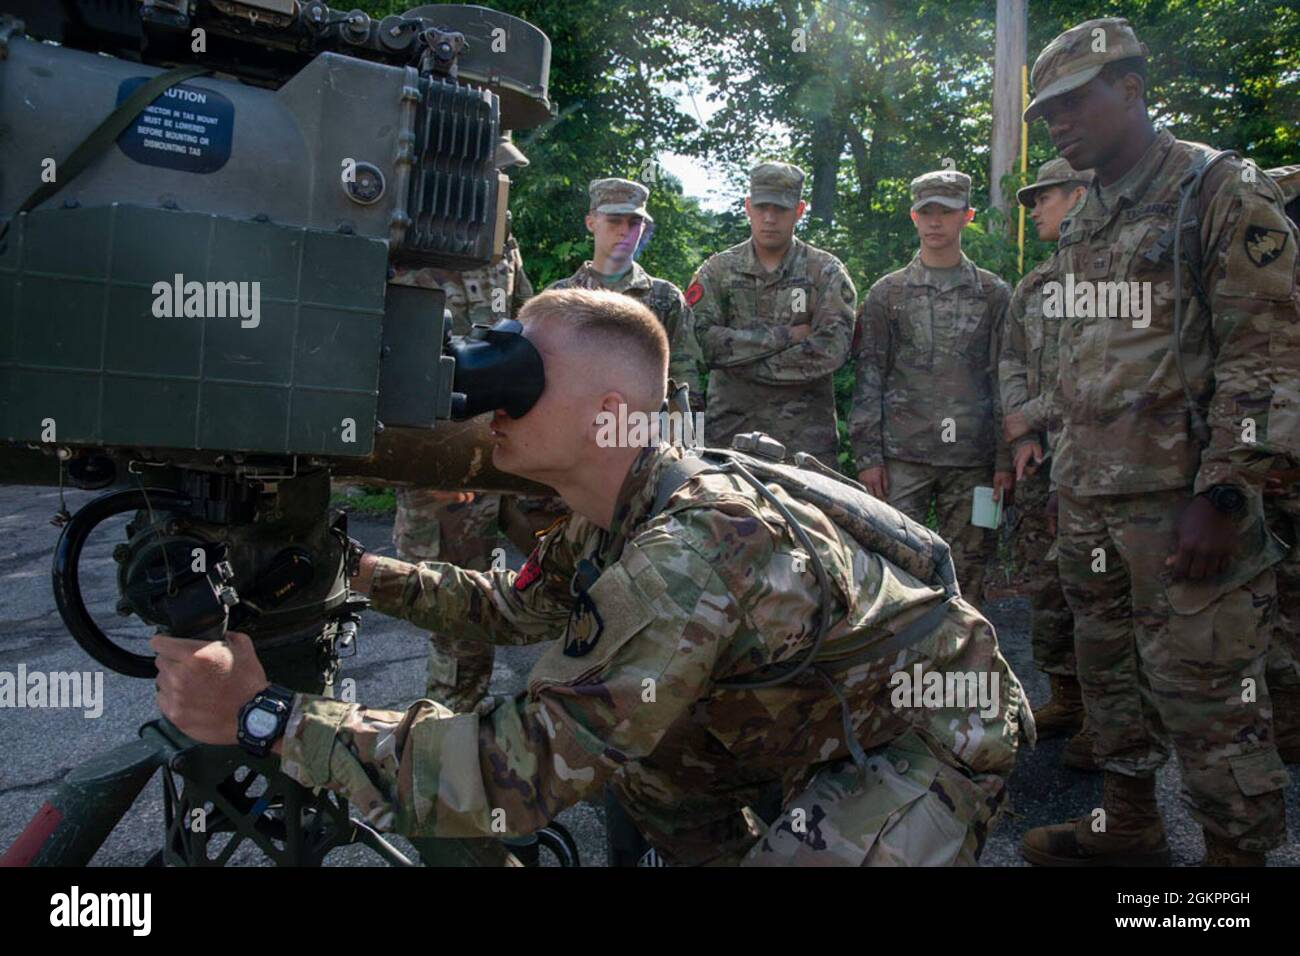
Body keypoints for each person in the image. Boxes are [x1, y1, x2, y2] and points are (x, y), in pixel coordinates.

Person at [151, 288, 1028, 867]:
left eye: (520, 381)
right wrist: (362, 570)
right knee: (645, 756)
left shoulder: (691, 551)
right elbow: (511, 606)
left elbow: (515, 772)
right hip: (801, 705)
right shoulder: (614, 502)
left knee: (597, 739)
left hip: (932, 733)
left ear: (608, 415)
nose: (495, 404)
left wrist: (265, 718)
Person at [1010, 17, 1298, 866]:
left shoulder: (1216, 189)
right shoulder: (1091, 213)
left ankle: (1234, 869)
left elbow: (1270, 356)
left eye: (1071, 103)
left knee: (1211, 701)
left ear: (1131, 90)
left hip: (1184, 509)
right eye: (1045, 113)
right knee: (1112, 692)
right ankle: (1130, 831)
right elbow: (1078, 358)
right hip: (1092, 499)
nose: (1057, 124)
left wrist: (1227, 496)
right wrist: (1064, 469)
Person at [387, 134, 533, 712]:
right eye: (492, 170)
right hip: (439, 460)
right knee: (458, 615)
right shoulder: (402, 242)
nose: (501, 183)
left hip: (502, 451)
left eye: (505, 171)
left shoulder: (502, 243)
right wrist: (433, 459)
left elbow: (523, 329)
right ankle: (446, 746)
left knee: (559, 576)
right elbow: (383, 368)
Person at [849, 169, 1013, 608]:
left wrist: (1004, 458)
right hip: (904, 458)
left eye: (947, 212)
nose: (935, 222)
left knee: (972, 567)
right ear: (913, 218)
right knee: (894, 566)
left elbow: (1004, 376)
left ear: (967, 217)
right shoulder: (889, 293)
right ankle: (899, 667)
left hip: (974, 462)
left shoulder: (994, 294)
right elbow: (870, 375)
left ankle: (967, 661)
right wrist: (868, 456)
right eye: (927, 212)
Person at [999, 157, 1096, 769]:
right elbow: (1010, 361)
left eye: (1045, 197)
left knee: (1101, 593)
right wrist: (1019, 436)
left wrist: (1031, 415)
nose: (1034, 208)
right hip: (1041, 464)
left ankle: (1115, 724)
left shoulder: (1108, 275)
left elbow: (1097, 371)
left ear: (1081, 193)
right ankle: (1067, 698)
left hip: (1099, 461)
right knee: (1049, 587)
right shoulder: (1033, 287)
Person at [688, 161, 856, 466]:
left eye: (780, 209)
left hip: (805, 442)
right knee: (727, 513)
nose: (769, 218)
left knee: (807, 516)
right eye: (762, 207)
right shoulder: (718, 270)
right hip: (730, 435)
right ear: (748, 207)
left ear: (800, 210)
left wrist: (743, 364)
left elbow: (831, 349)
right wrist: (786, 336)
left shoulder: (825, 272)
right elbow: (702, 342)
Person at [547, 177, 701, 399]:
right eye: (614, 221)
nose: (624, 231)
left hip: (642, 427)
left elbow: (684, 376)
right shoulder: (560, 297)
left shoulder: (665, 298)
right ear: (591, 223)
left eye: (634, 223)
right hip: (573, 424)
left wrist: (684, 432)